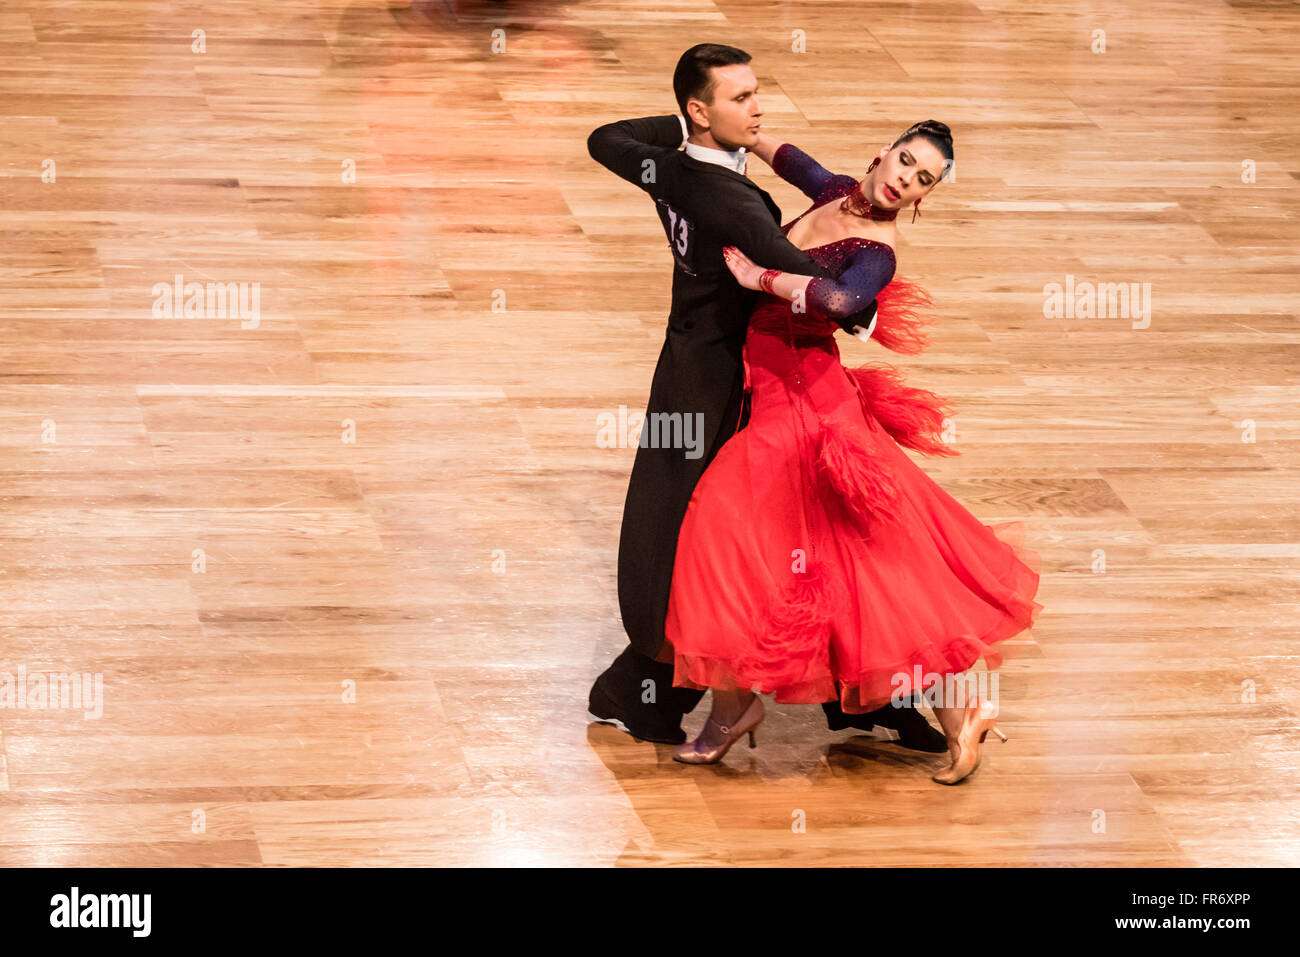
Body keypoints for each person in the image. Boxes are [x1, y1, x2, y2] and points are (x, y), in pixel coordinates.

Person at [585, 44, 945, 752]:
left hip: (696, 360)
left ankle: (849, 696)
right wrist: (860, 308)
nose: (760, 108)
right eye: (741, 98)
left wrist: (692, 135)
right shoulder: (734, 201)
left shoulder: (666, 165)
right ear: (701, 109)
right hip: (730, 379)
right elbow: (823, 284)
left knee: (768, 535)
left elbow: (605, 139)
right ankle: (646, 689)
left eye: (756, 94)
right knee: (727, 539)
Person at [663, 121, 1044, 784]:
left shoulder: (877, 249)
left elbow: (842, 300)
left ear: (924, 197)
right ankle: (958, 710)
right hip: (787, 391)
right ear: (882, 154)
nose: (905, 178)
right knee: (868, 562)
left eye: (923, 178)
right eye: (905, 161)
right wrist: (745, 134)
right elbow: (796, 163)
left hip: (808, 406)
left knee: (726, 530)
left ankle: (734, 710)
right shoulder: (839, 192)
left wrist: (761, 276)